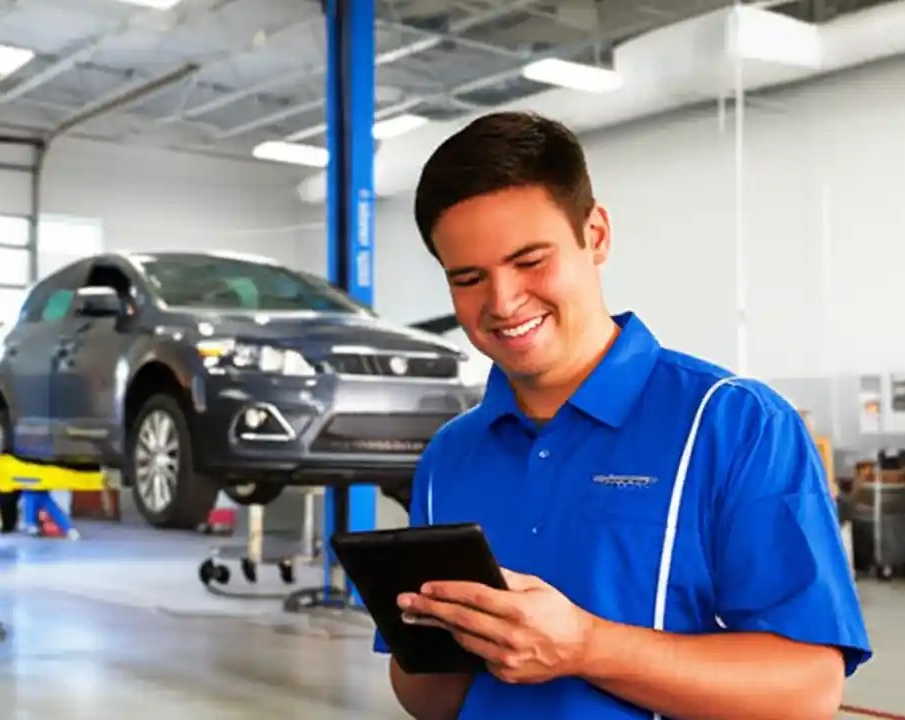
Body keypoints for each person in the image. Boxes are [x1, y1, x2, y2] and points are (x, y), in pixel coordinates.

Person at [372, 111, 871, 720]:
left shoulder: (733, 425)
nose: (502, 303)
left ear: (597, 234)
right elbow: (432, 700)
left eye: (530, 260)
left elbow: (808, 693)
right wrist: (434, 638)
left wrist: (585, 647)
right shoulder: (452, 455)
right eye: (469, 278)